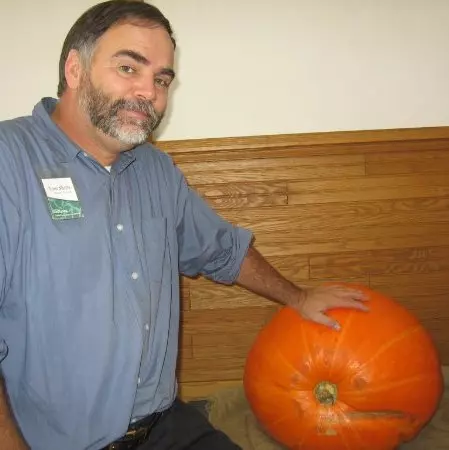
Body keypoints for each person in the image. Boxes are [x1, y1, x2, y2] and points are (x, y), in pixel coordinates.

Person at [0, 1, 368, 449]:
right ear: (75, 69)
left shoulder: (156, 170)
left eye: (161, 79)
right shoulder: (9, 163)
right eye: (128, 68)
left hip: (166, 428)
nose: (149, 92)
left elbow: (222, 250)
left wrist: (299, 296)